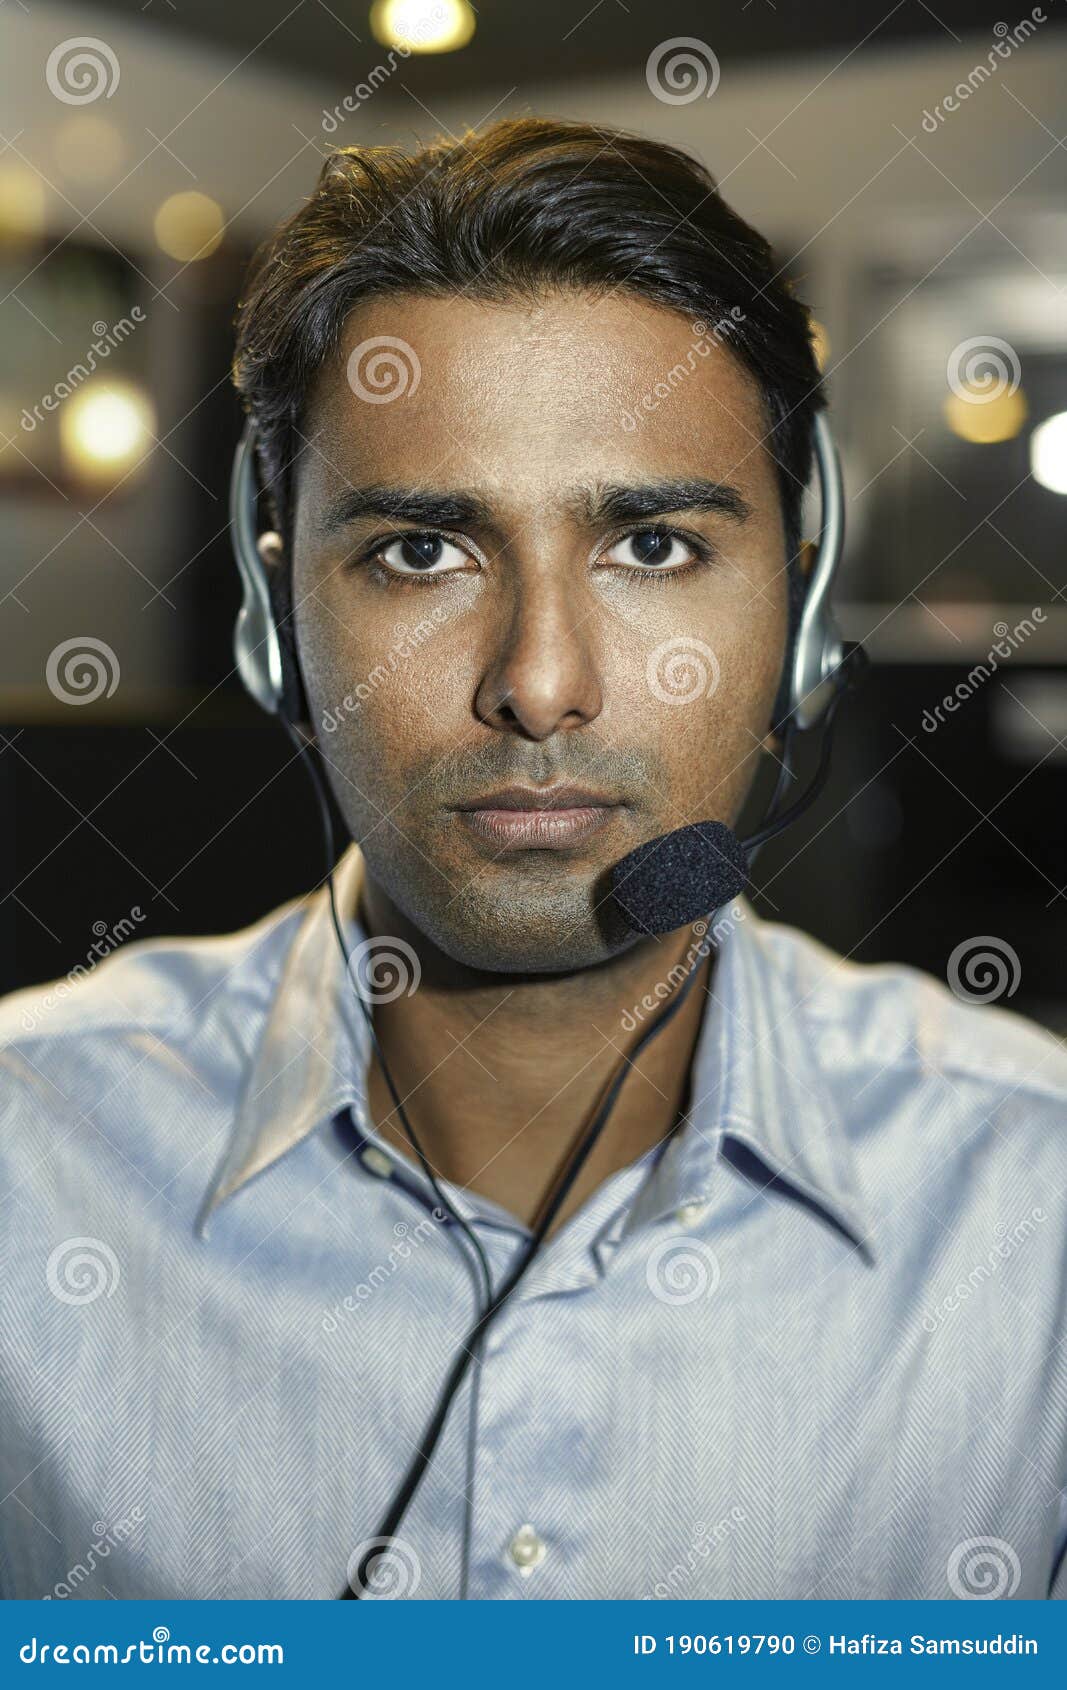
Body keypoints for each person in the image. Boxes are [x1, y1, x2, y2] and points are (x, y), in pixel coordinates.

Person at [1, 119, 1064, 1603]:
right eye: (423, 553)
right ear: (270, 618)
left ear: (806, 613)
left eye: (653, 546)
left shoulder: (1037, 1206)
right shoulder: (24, 1171)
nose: (543, 683)